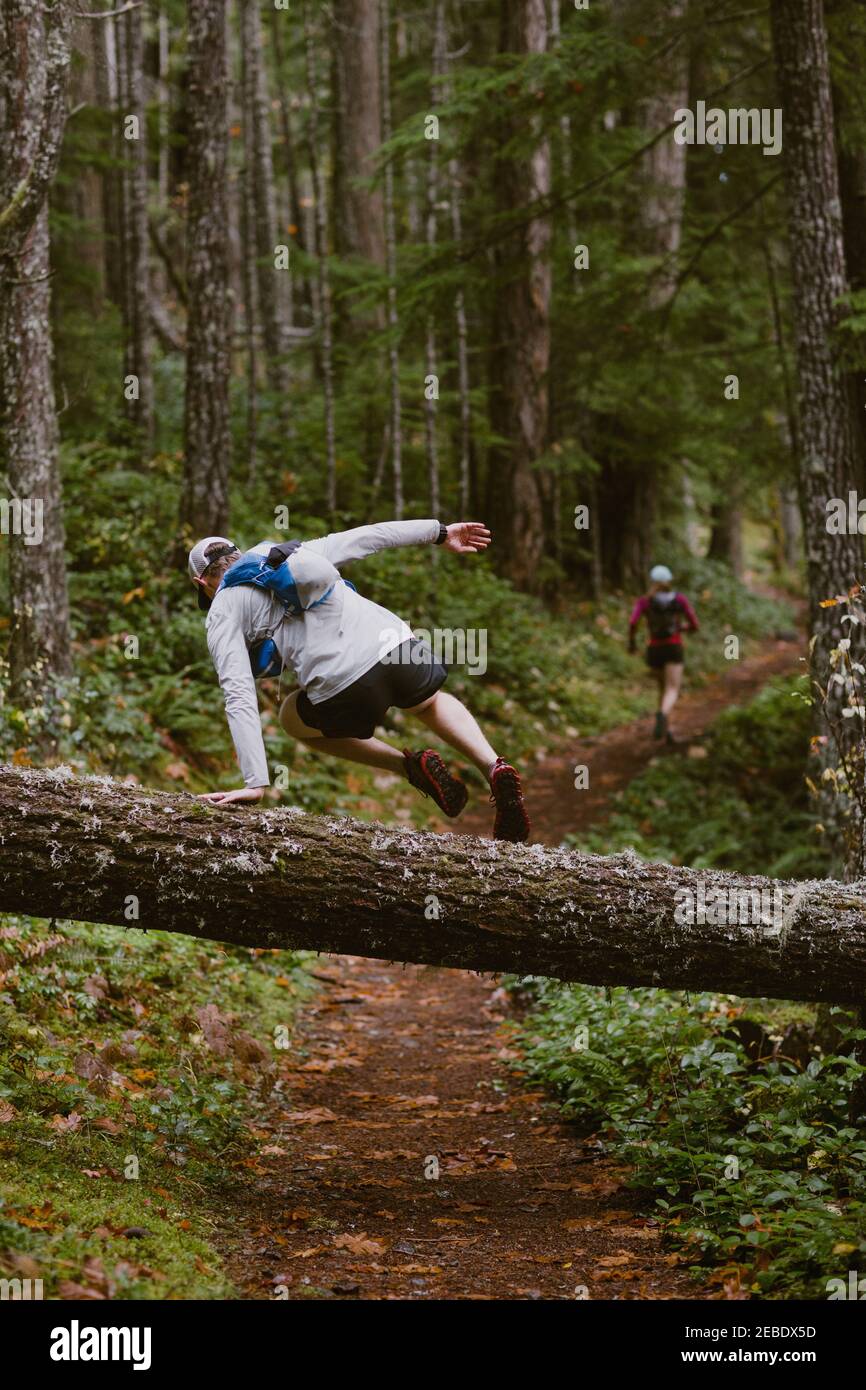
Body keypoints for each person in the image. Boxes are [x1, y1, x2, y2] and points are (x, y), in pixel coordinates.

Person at [187, 518, 530, 842]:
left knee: (291, 718)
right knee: (429, 702)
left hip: (347, 686)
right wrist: (440, 532)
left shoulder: (222, 609)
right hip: (396, 647)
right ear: (237, 553)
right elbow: (371, 536)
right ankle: (493, 765)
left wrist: (255, 782)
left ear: (202, 583)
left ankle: (409, 766)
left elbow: (238, 691)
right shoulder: (288, 553)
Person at [628, 564, 699, 743]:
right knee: (672, 689)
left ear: (651, 581)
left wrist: (632, 644)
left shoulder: (644, 601)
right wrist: (683, 628)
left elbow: (632, 623)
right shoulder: (679, 599)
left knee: (662, 689)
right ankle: (662, 715)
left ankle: (666, 732)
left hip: (654, 649)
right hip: (673, 647)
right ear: (669, 581)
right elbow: (694, 624)